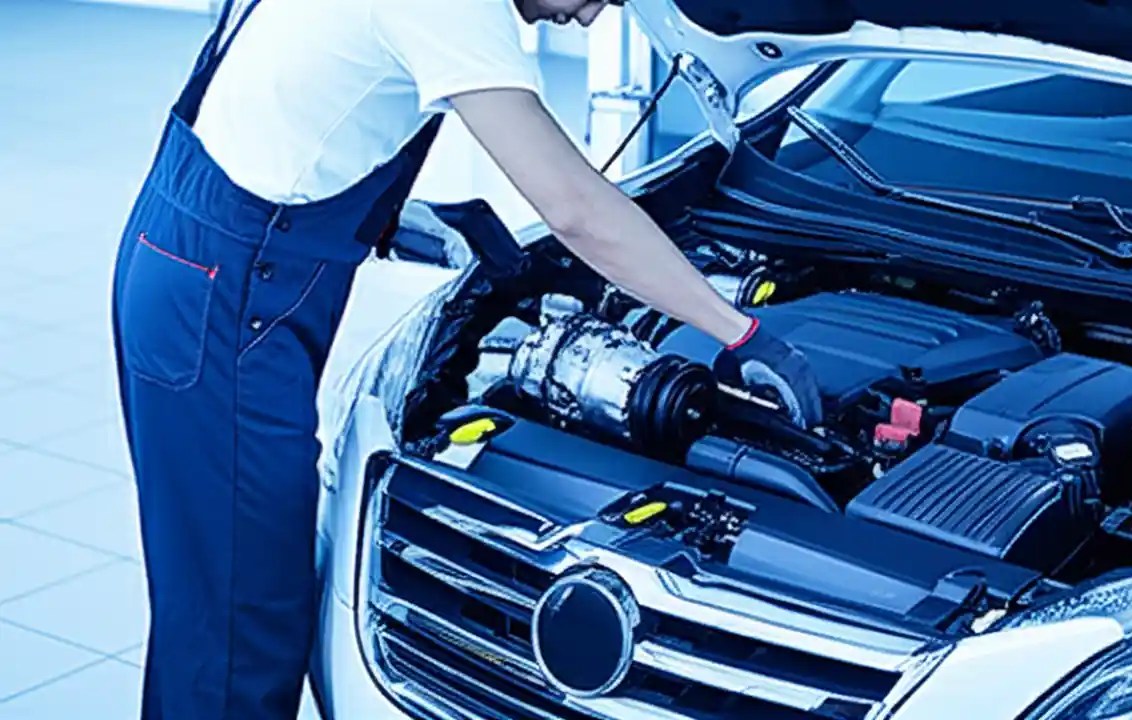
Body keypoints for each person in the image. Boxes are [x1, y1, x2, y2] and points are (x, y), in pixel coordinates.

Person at [110, 0, 822, 718]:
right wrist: (739, 332)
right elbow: (574, 207)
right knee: (241, 618)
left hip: (195, 257)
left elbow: (308, 99)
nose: (598, 12)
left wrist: (379, 218)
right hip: (227, 294)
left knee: (212, 599)